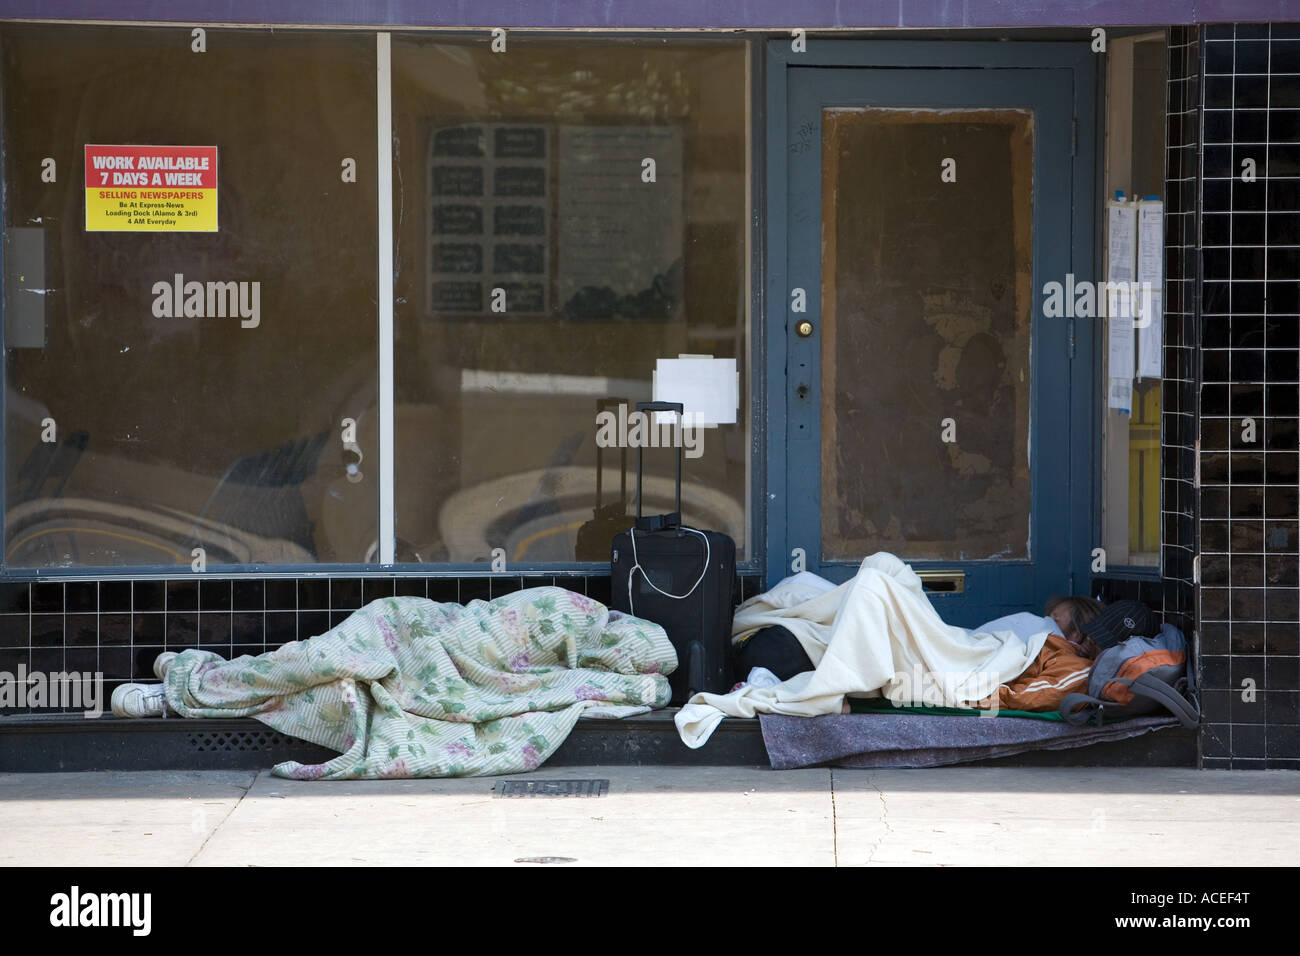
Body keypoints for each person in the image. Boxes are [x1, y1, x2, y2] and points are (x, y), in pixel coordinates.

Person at [974, 595, 1105, 713]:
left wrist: (970, 695)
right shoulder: (1048, 645)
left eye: (1055, 621)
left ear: (1077, 633)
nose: (1048, 621)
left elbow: (1025, 697)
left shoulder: (1075, 667)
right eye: (1049, 617)